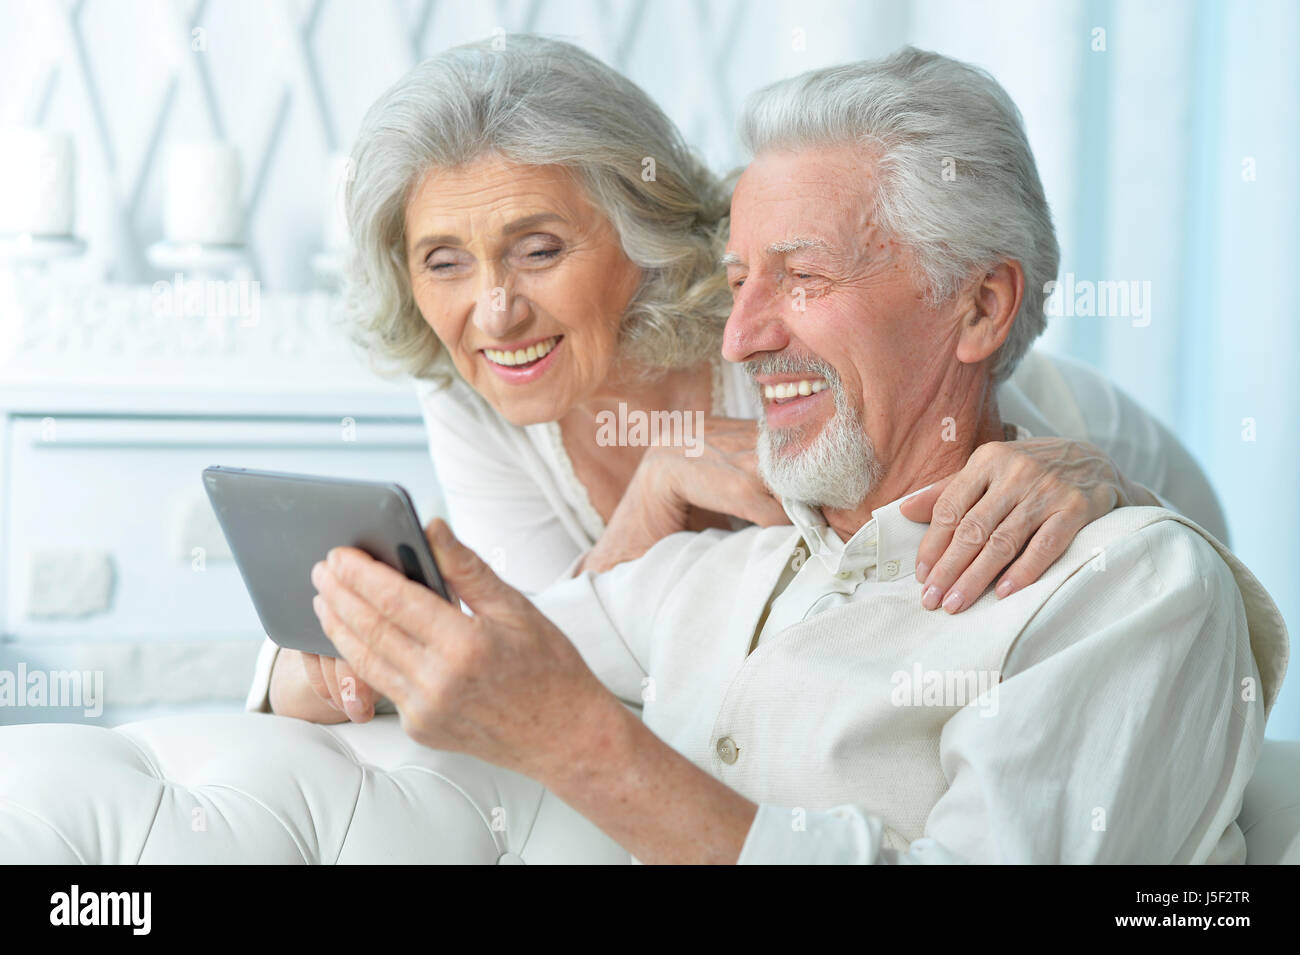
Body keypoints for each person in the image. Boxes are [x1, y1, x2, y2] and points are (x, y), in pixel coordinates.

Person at [301, 48, 1287, 864]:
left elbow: (978, 460)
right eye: (738, 282)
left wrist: (581, 743)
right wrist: (304, 660)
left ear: (980, 304)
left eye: (802, 277)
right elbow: (476, 648)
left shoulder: (1117, 578)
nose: (740, 334)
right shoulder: (709, 566)